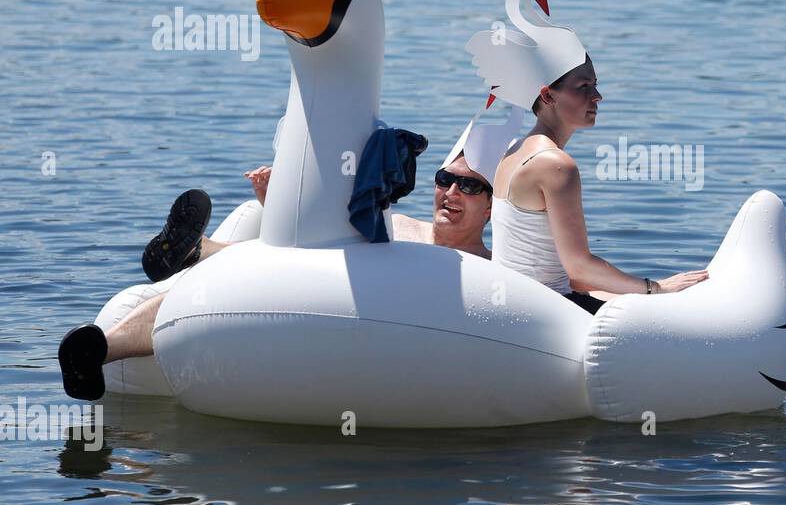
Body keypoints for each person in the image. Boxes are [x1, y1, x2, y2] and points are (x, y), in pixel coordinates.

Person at [58, 141, 498, 400]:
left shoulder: (487, 272)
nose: (451, 191)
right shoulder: (396, 222)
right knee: (217, 279)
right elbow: (321, 240)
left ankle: (199, 250)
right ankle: (98, 350)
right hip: (312, 281)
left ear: (492, 206)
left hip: (353, 325)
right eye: (444, 178)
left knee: (242, 267)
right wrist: (281, 200)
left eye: (470, 185)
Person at [468, 0, 709, 317]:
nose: (597, 97)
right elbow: (578, 267)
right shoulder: (555, 165)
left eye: (595, 85)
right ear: (548, 96)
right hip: (544, 315)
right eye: (583, 87)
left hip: (515, 308)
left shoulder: (516, 150)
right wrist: (656, 288)